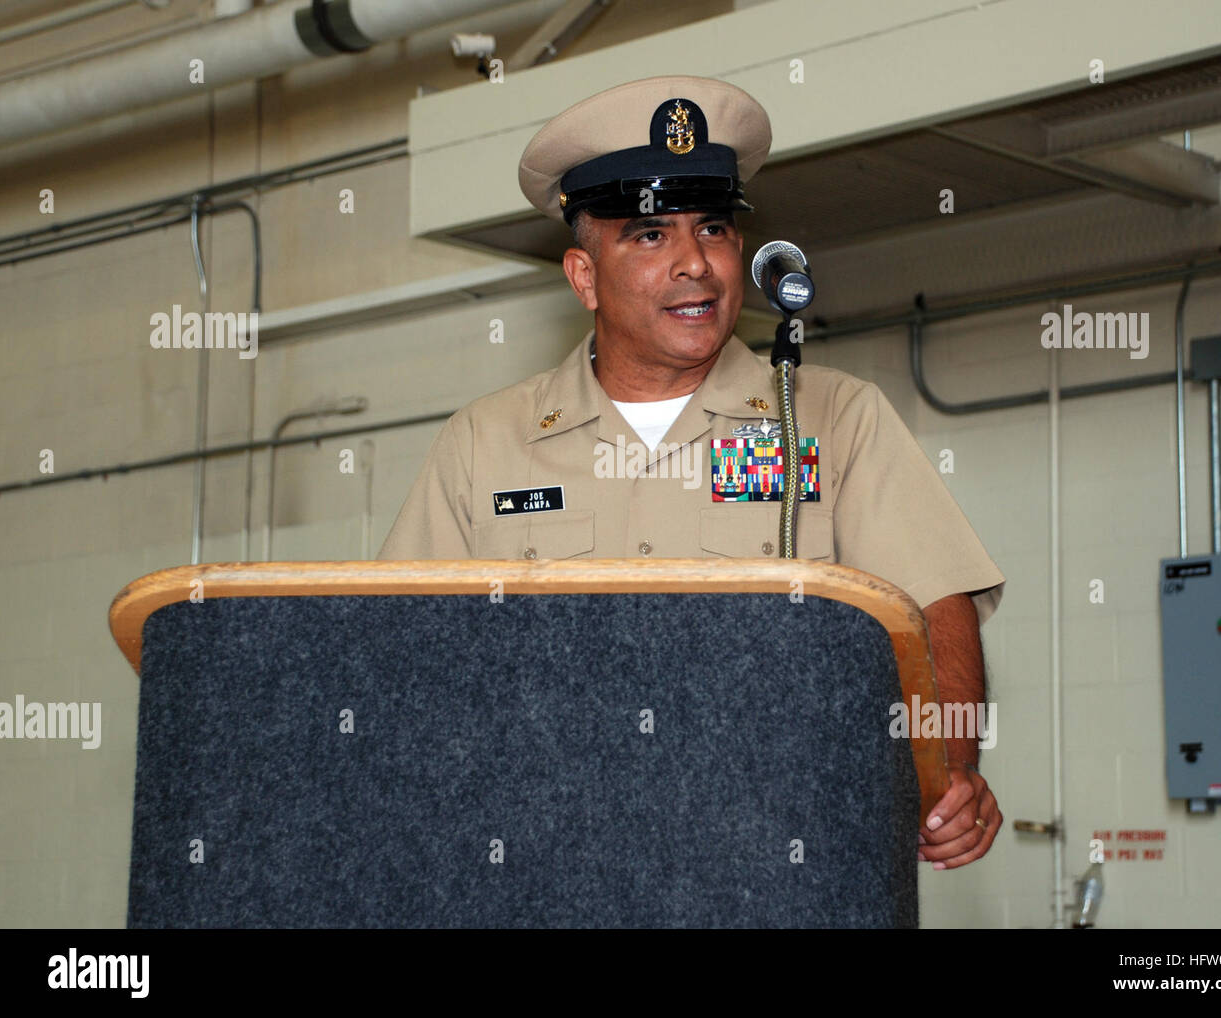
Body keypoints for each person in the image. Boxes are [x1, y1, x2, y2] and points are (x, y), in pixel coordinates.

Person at [380, 75, 1006, 869]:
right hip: (548, 866)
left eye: (712, 229)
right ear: (583, 276)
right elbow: (400, 656)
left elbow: (936, 606)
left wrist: (949, 775)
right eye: (649, 236)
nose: (695, 266)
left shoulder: (831, 419)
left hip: (781, 862)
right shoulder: (485, 445)